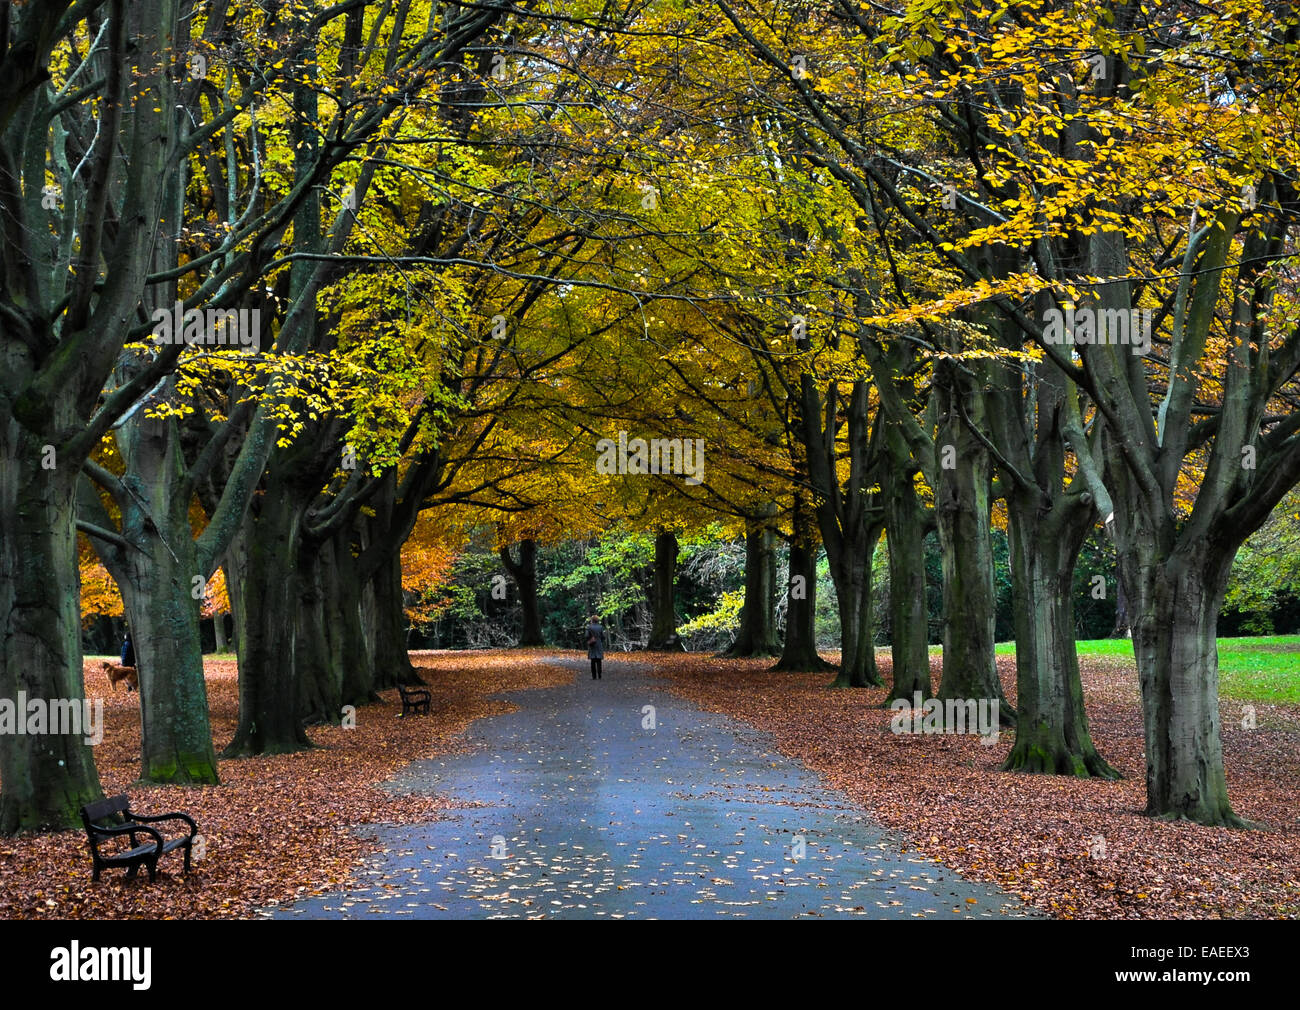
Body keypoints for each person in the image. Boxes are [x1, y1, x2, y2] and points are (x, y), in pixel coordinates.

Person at [586, 615, 605, 680]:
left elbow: (586, 636)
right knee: (599, 661)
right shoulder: (600, 627)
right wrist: (600, 641)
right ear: (597, 620)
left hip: (592, 645)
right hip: (599, 644)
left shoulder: (589, 627)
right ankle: (599, 675)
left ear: (592, 620)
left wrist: (590, 640)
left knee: (593, 661)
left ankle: (594, 676)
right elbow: (603, 636)